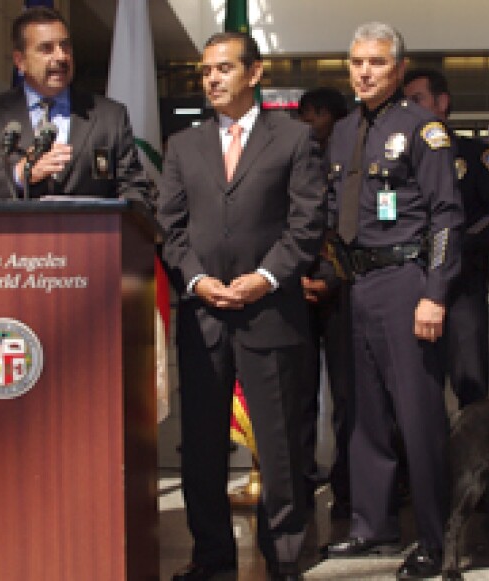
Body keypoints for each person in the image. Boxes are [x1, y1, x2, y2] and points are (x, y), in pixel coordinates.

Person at [157, 31, 325, 581]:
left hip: (270, 313)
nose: (212, 79)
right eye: (206, 71)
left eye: (224, 69)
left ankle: (283, 557)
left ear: (254, 73)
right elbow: (170, 228)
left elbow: (306, 225)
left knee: (277, 449)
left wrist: (265, 277)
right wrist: (198, 279)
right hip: (204, 316)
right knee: (201, 448)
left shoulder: (294, 140)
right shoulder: (183, 145)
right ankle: (211, 557)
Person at [323, 22, 464, 580]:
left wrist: (435, 293)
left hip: (406, 284)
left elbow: (445, 217)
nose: (364, 72)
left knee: (418, 415)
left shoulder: (424, 129)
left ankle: (434, 536)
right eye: (356, 61)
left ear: (399, 69)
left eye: (376, 63)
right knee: (361, 414)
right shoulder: (341, 131)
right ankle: (371, 524)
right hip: (353, 285)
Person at [0, 6, 152, 203]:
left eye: (65, 46)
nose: (61, 56)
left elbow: (135, 189)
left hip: (88, 236)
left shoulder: (110, 116)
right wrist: (18, 175)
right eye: (47, 48)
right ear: (20, 61)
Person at [403, 68, 489, 407]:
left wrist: (455, 247)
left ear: (442, 103)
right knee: (416, 384)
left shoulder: (474, 155)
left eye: (417, 100)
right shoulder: (400, 158)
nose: (410, 109)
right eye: (406, 102)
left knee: (470, 378)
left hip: (463, 281)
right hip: (411, 282)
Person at [297, 87, 352, 518]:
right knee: (298, 395)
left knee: (348, 395)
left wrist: (331, 275)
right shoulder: (290, 155)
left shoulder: (351, 152)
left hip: (343, 289)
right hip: (294, 286)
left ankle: (348, 485)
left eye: (316, 114)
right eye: (304, 114)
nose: (308, 122)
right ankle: (298, 479)